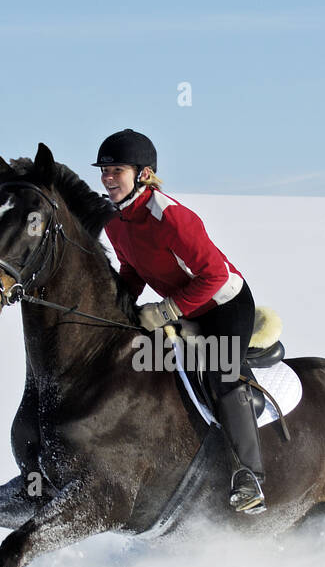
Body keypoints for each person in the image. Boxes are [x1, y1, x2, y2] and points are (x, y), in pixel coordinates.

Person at [94, 129, 266, 514]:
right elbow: (132, 268)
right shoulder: (115, 222)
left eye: (115, 170)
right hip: (186, 307)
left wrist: (167, 311)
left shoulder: (173, 217)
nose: (107, 177)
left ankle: (248, 475)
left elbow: (214, 276)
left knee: (221, 371)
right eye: (104, 170)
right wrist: (118, 304)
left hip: (225, 304)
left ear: (142, 174)